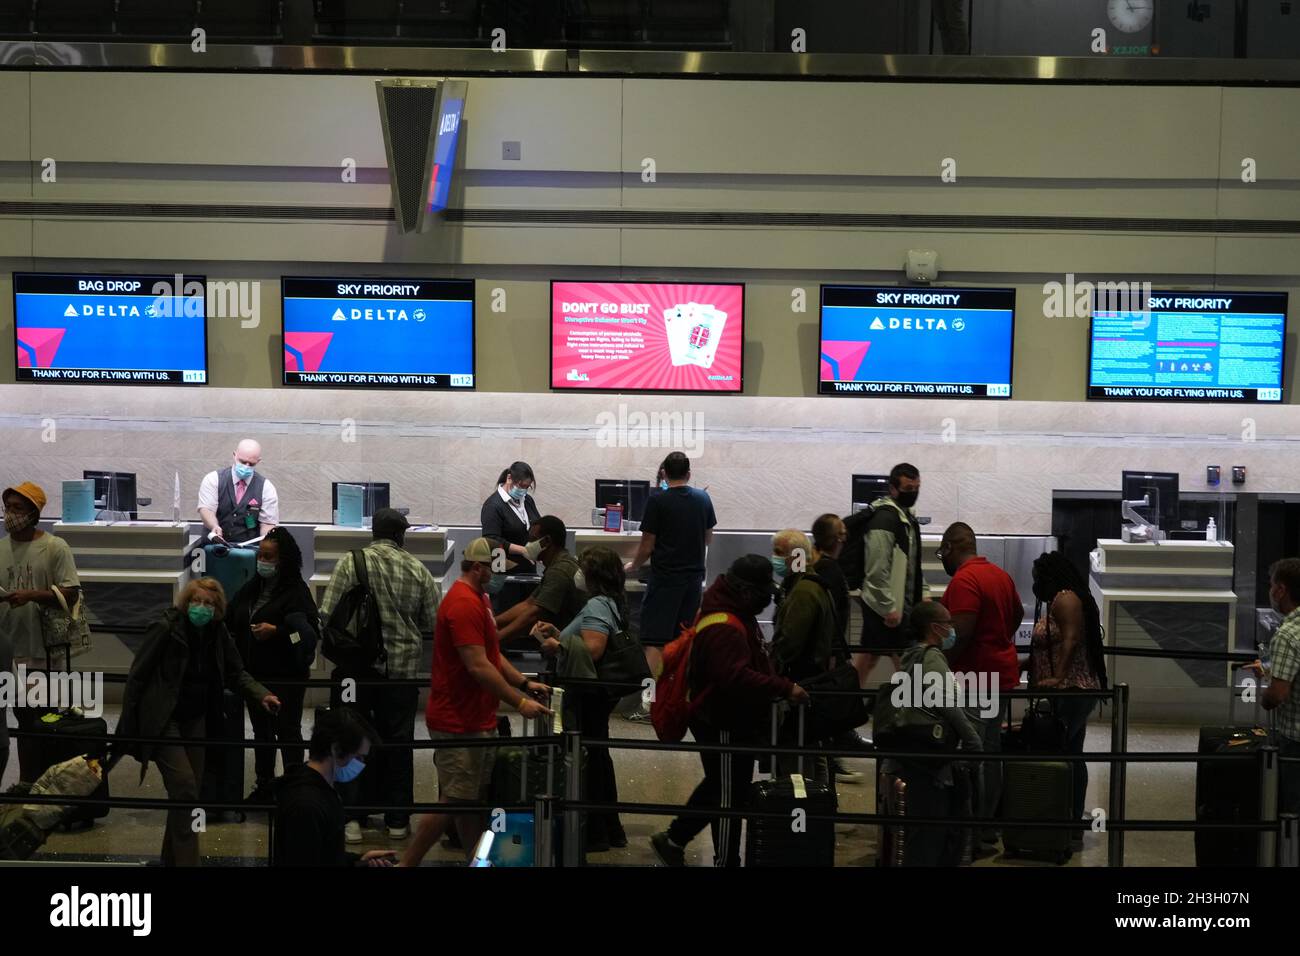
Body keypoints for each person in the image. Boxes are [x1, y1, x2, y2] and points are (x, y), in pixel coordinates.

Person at [650, 556, 809, 868]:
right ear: (747, 590)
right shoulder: (726, 624)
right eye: (764, 590)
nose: (767, 597)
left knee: (721, 786)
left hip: (728, 718)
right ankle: (725, 859)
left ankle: (674, 839)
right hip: (722, 719)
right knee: (727, 797)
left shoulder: (732, 612)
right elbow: (733, 677)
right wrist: (783, 687)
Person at [401, 538, 551, 866]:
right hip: (458, 720)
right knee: (454, 798)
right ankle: (407, 863)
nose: (498, 577)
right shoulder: (463, 604)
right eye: (494, 570)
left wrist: (524, 682)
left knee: (468, 799)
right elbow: (478, 665)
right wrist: (519, 702)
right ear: (479, 567)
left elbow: (492, 655)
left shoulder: (480, 599)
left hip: (475, 717)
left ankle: (476, 860)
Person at [117, 578, 281, 866]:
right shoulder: (167, 628)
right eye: (197, 601)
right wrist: (128, 728)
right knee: (185, 788)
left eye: (209, 603)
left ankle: (172, 859)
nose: (202, 608)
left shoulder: (218, 634)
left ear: (217, 609)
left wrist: (261, 694)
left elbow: (236, 672)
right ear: (186, 602)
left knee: (186, 795)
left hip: (196, 719)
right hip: (164, 719)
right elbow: (137, 676)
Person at [319, 508, 441, 842]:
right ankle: (398, 819)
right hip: (401, 672)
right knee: (399, 742)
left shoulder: (351, 562)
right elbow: (434, 622)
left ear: (374, 532)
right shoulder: (417, 570)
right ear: (401, 536)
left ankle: (352, 818)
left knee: (350, 741)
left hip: (356, 673)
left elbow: (327, 614)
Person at [531, 545, 634, 851]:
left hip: (586, 693)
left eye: (583, 567)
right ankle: (608, 829)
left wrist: (556, 646)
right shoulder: (612, 602)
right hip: (599, 695)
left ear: (593, 575)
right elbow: (587, 638)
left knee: (587, 759)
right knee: (598, 756)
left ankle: (594, 833)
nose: (578, 572)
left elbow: (593, 649)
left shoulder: (598, 605)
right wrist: (560, 633)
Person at [938, 521, 1023, 853]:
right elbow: (1015, 615)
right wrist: (998, 640)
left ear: (950, 547)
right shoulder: (1000, 576)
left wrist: (940, 665)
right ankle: (987, 826)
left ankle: (971, 830)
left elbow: (960, 632)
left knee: (972, 753)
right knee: (991, 751)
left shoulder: (965, 580)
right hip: (1000, 674)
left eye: (942, 552)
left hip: (975, 677)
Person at [879, 600, 983, 866]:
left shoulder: (910, 654)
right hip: (932, 758)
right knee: (932, 832)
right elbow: (945, 703)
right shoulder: (933, 657)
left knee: (917, 829)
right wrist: (972, 739)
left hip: (910, 756)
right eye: (948, 623)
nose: (952, 629)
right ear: (935, 628)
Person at [226, 526, 319, 803]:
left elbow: (305, 635)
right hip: (255, 676)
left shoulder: (297, 592)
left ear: (283, 560)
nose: (263, 562)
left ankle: (293, 789)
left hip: (286, 675)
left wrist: (277, 632)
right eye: (261, 556)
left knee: (287, 731)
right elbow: (234, 619)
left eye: (269, 557)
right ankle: (264, 787)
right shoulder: (251, 588)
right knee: (262, 734)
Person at [0, 482, 81, 785]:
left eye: (17, 508)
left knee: (41, 717)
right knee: (20, 717)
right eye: (7, 507)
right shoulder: (1, 548)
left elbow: (71, 593)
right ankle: (27, 782)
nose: (10, 515)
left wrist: (33, 595)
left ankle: (43, 783)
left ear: (34, 513)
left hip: (41, 650)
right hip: (8, 648)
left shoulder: (55, 547)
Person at [625, 451, 716, 720]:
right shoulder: (703, 499)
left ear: (664, 473)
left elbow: (647, 545)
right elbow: (708, 539)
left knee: (653, 643)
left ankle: (648, 704)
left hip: (664, 581)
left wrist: (633, 565)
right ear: (689, 474)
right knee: (684, 640)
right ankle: (682, 699)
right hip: (692, 582)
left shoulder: (657, 501)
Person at [1028, 550, 1108, 849]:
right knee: (1072, 753)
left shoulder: (1065, 599)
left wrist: (1059, 677)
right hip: (1072, 689)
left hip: (1072, 689)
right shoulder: (1062, 599)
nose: (1035, 584)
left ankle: (1064, 820)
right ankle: (1069, 820)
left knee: (1063, 753)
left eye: (1038, 578)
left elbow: (1071, 640)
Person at [273, 708, 397, 867]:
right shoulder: (306, 805)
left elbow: (324, 853)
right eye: (358, 757)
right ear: (336, 749)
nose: (361, 765)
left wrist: (358, 859)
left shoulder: (318, 791)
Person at [770, 529, 837, 784]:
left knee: (797, 753)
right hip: (814, 679)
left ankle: (800, 806)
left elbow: (790, 642)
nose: (774, 559)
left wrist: (771, 665)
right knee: (814, 750)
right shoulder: (809, 585)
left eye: (779, 553)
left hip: (802, 681)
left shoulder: (803, 592)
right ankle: (819, 806)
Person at [810, 513, 871, 780]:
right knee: (827, 708)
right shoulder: (830, 571)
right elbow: (830, 618)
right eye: (843, 533)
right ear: (836, 539)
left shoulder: (819, 566)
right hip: (827, 654)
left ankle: (833, 755)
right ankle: (832, 759)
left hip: (825, 651)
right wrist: (834, 653)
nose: (846, 538)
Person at [858, 463, 926, 683]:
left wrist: (921, 590)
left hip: (894, 604)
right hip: (886, 606)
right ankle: (911, 708)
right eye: (908, 488)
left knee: (870, 658)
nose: (913, 493)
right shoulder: (885, 519)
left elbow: (912, 563)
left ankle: (851, 703)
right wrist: (888, 606)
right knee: (903, 659)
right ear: (893, 488)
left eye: (916, 488)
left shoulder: (906, 518)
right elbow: (877, 568)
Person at [1249, 558, 1300, 817]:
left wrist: (1266, 692)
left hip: (1295, 741)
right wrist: (1273, 669)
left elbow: (1277, 695)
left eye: (1271, 586)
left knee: (1292, 812)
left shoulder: (1287, 634)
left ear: (1281, 590)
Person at [494, 515, 584, 645]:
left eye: (532, 539)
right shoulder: (558, 564)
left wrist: (495, 640)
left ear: (546, 541)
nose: (528, 545)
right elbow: (528, 604)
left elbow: (533, 615)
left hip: (574, 645)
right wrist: (493, 623)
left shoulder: (560, 571)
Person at [479, 461, 541, 613]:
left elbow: (537, 525)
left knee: (526, 616)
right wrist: (522, 550)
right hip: (503, 572)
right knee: (505, 614)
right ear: (509, 478)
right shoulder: (493, 505)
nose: (523, 490)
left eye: (527, 487)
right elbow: (491, 540)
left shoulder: (527, 501)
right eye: (521, 486)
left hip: (527, 570)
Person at [197, 438, 279, 544]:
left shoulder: (266, 487)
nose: (246, 466)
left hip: (249, 551)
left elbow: (268, 523)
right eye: (243, 461)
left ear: (258, 461)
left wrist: (268, 540)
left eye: (251, 464)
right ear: (234, 455)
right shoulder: (213, 479)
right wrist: (214, 526)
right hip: (213, 549)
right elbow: (206, 509)